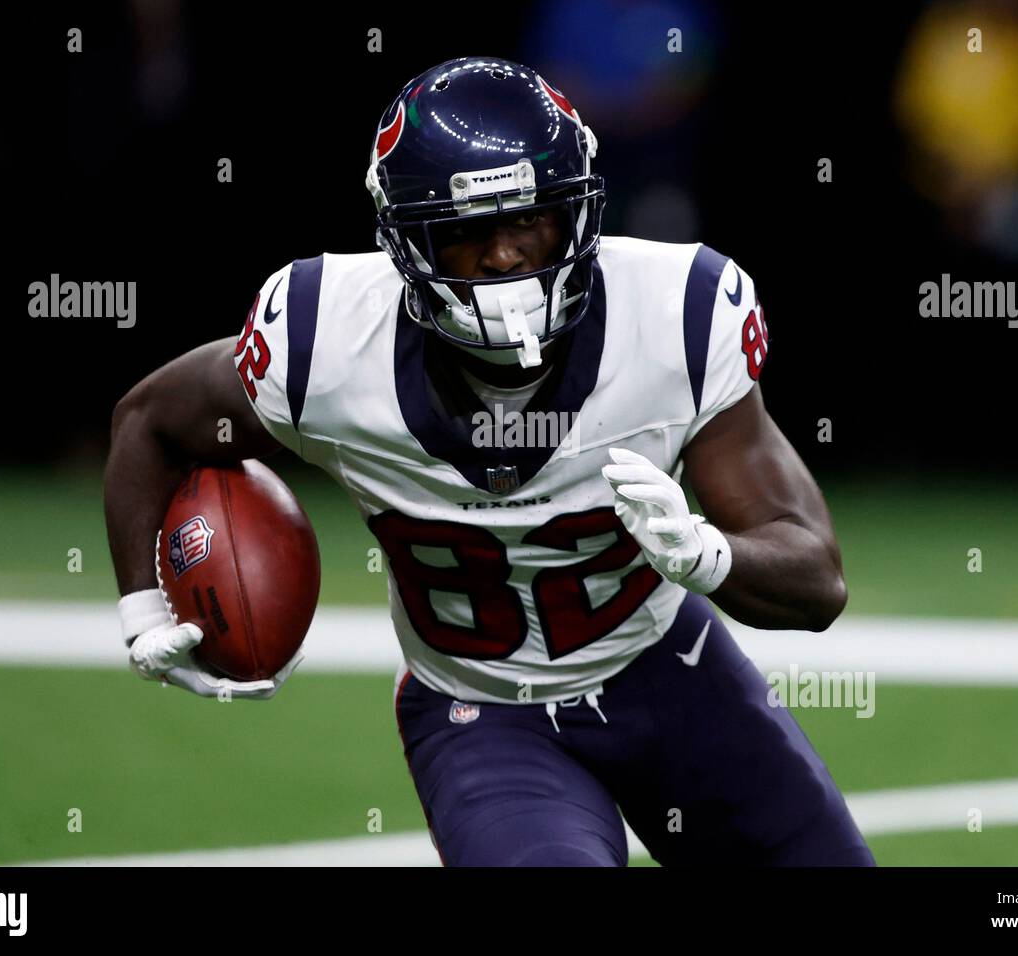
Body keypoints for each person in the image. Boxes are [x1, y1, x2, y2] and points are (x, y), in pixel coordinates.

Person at [104, 56, 873, 867]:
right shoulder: (323, 343)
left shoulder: (674, 315)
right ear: (406, 241)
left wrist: (709, 555)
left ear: (578, 213)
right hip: (481, 713)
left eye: (531, 219)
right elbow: (149, 422)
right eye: (466, 231)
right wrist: (142, 611)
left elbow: (817, 582)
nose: (505, 256)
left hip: (666, 673)